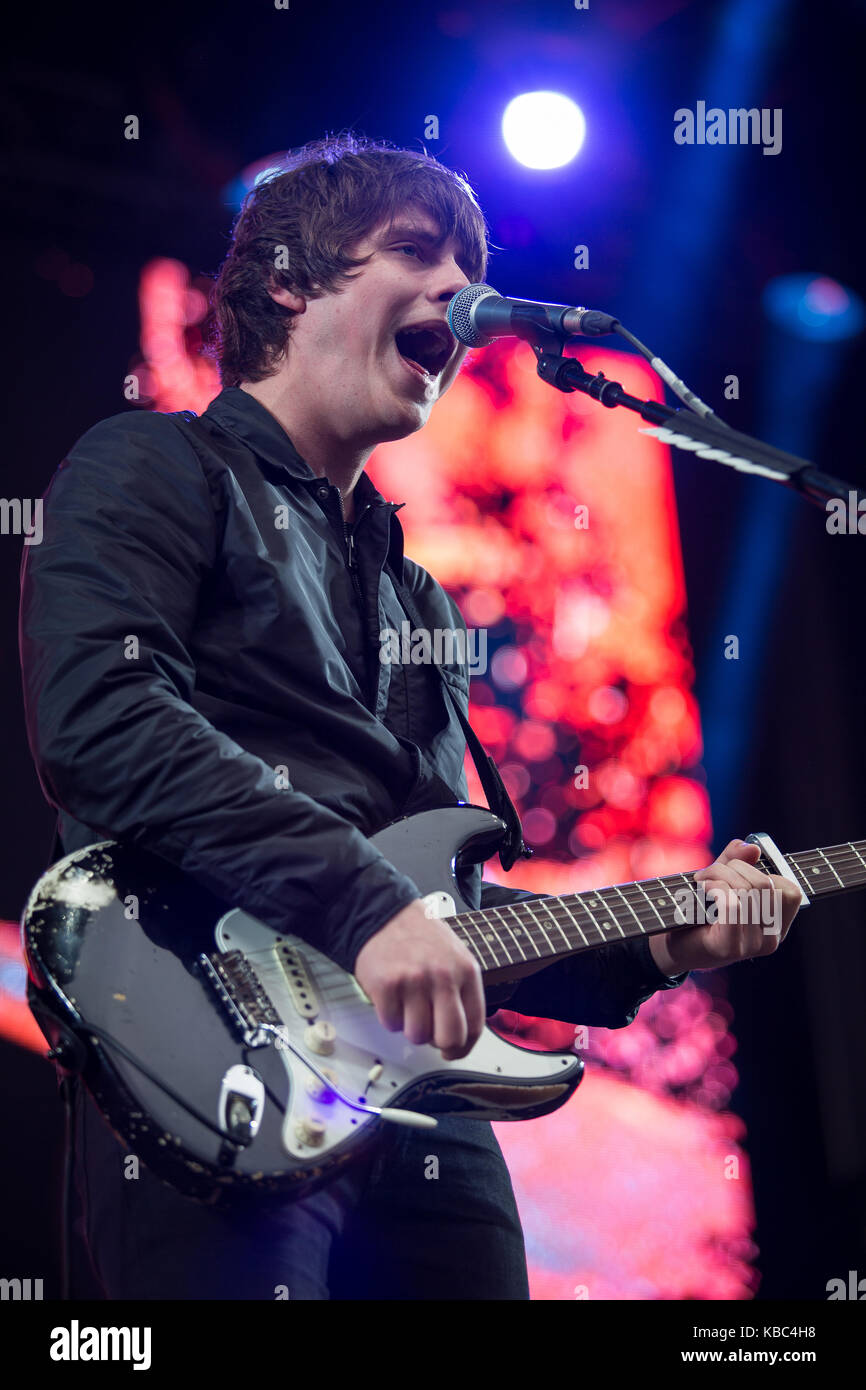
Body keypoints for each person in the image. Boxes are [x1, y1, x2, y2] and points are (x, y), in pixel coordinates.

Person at [19, 134, 802, 1300]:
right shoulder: (150, 466)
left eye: (471, 265)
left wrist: (657, 946)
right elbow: (101, 719)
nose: (460, 292)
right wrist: (361, 901)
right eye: (416, 254)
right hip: (216, 1063)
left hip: (424, 1111)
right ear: (286, 278)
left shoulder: (411, 588)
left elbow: (450, 912)